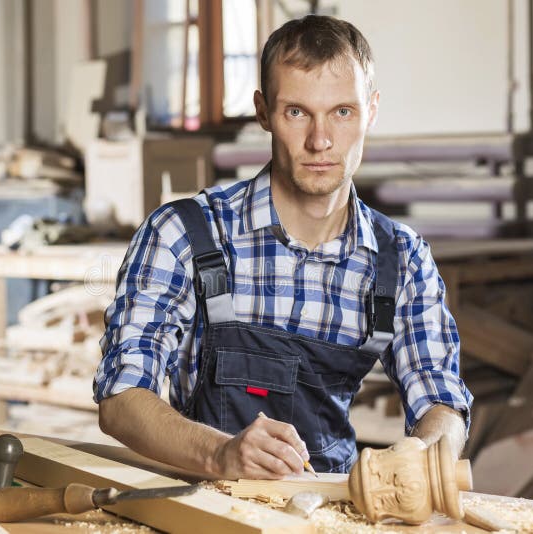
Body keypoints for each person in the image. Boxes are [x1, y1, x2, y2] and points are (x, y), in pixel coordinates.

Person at [93, 14, 472, 480]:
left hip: (327, 512)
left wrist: (420, 460)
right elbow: (120, 397)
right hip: (204, 509)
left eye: (342, 112)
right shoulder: (182, 235)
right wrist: (220, 455)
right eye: (297, 112)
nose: (321, 140)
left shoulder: (402, 262)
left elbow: (441, 400)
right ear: (263, 111)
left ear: (371, 110)